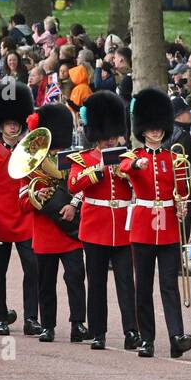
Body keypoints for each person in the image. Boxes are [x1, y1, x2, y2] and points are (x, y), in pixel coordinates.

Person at [117, 89, 191, 359]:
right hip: (143, 226)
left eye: (159, 126)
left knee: (169, 285)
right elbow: (124, 168)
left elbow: (182, 191)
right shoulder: (132, 157)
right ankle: (146, 339)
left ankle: (176, 336)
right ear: (142, 129)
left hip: (168, 227)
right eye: (150, 127)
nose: (156, 131)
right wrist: (137, 163)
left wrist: (183, 205)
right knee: (144, 286)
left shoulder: (174, 158)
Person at [65, 91, 139, 351]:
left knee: (125, 284)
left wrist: (129, 176)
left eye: (112, 136)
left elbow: (140, 186)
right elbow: (74, 184)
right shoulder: (83, 159)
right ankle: (98, 332)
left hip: (122, 228)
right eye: (105, 137)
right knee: (96, 284)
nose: (109, 141)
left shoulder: (127, 158)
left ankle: (132, 331)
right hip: (95, 227)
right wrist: (96, 171)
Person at [19, 104, 89, 345]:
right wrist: (38, 197)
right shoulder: (31, 166)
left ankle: (78, 323)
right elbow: (22, 202)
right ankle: (48, 325)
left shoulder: (72, 160)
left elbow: (81, 189)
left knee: (76, 277)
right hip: (46, 232)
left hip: (69, 232)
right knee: (46, 282)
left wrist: (72, 202)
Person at [0, 80, 41, 336]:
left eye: (16, 122)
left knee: (32, 267)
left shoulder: (30, 152)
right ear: (0, 124)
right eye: (8, 122)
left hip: (24, 215)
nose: (13, 126)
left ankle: (31, 317)